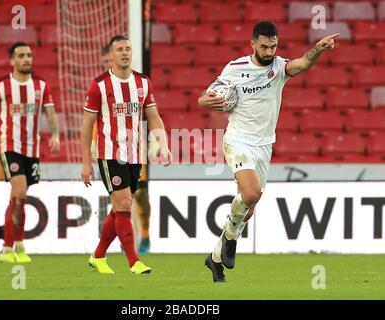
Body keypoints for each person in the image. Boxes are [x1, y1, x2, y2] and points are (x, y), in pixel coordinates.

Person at [198, 21, 339, 282]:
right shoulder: (235, 68)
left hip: (264, 145)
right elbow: (205, 97)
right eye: (264, 46)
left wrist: (317, 49)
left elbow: (303, 64)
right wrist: (206, 101)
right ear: (252, 44)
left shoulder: (279, 67)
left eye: (273, 46)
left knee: (248, 208)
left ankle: (215, 258)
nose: (269, 51)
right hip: (238, 140)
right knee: (250, 193)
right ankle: (230, 241)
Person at [81, 35, 172, 274]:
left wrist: (163, 144)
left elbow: (153, 116)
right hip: (109, 153)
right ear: (111, 55)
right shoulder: (99, 85)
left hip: (134, 154)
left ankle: (98, 256)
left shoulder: (143, 82)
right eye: (119, 49)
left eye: (128, 48)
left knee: (120, 207)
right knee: (124, 204)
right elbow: (86, 124)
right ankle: (134, 261)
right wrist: (85, 162)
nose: (125, 53)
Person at [0, 42, 60, 263]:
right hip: (9, 146)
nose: (27, 59)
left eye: (30, 55)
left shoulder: (41, 86)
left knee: (18, 198)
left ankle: (10, 246)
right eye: (22, 56)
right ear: (12, 61)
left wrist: (55, 135)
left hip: (31, 149)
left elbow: (51, 113)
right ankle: (15, 247)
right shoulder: (1, 85)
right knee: (21, 191)